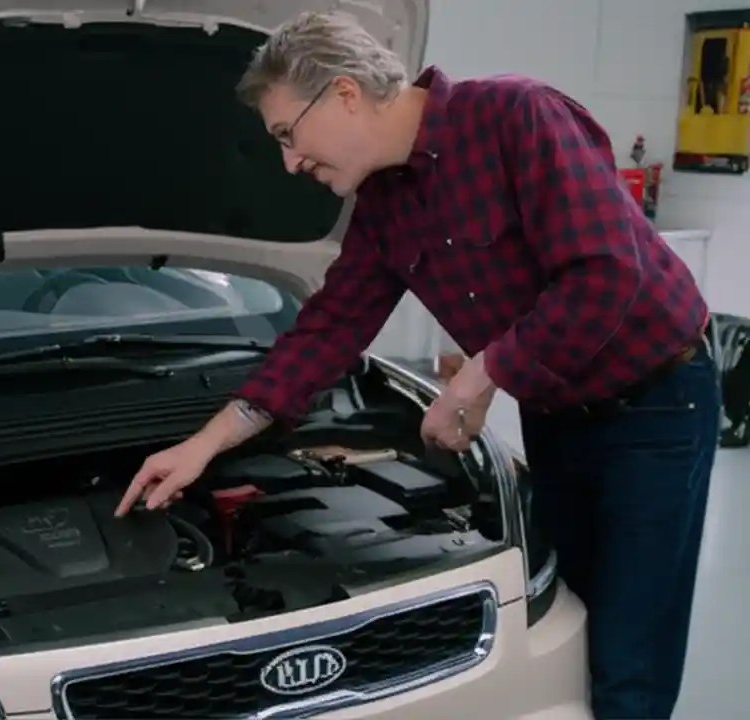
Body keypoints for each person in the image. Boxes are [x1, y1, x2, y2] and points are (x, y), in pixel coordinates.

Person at [113, 11, 719, 720]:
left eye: (286, 135)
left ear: (343, 94)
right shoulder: (384, 205)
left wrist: (481, 374)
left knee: (631, 660)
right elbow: (328, 331)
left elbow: (605, 276)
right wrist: (204, 444)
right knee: (580, 627)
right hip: (559, 416)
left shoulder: (517, 116)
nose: (288, 162)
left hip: (655, 404)